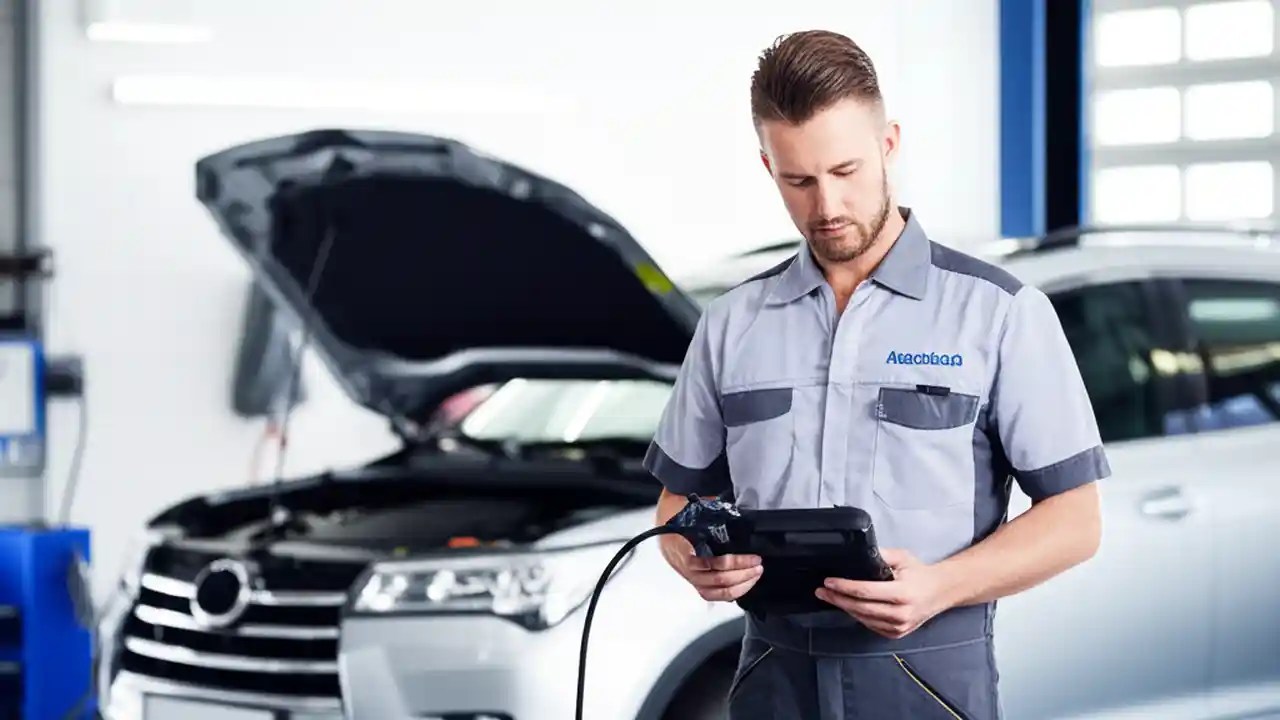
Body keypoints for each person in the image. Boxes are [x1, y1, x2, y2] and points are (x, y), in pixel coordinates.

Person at [644, 29, 1108, 719]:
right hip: (772, 677)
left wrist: (943, 585)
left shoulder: (1000, 314)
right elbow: (676, 505)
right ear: (767, 165)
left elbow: (1076, 522)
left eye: (846, 171)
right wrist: (696, 559)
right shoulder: (732, 323)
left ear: (889, 144)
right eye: (798, 180)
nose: (825, 205)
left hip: (928, 681)